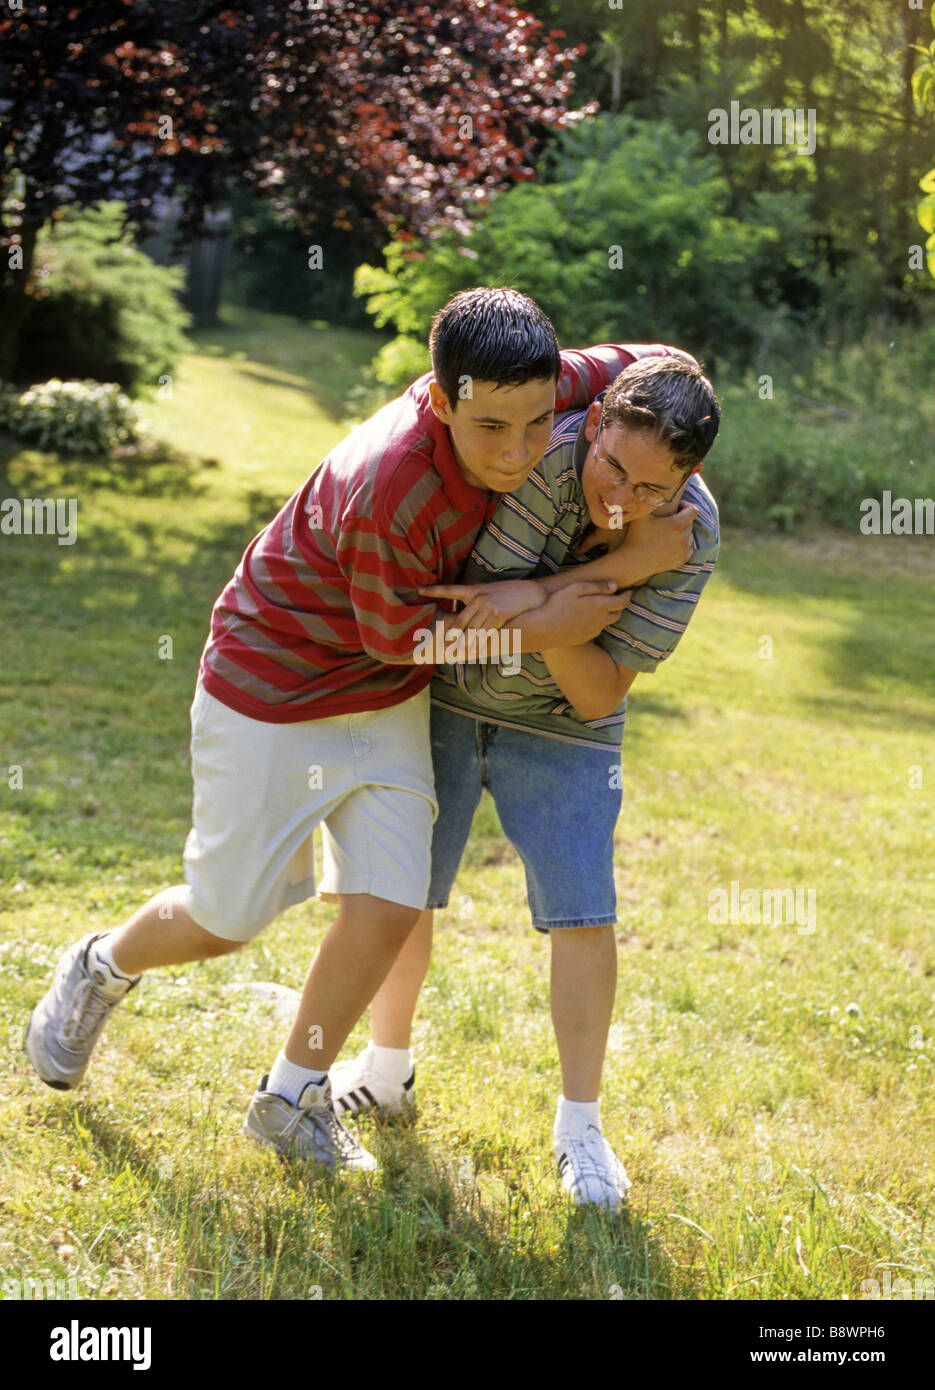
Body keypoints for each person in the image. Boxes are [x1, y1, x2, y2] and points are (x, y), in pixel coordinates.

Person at [24, 285, 684, 1174]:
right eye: (492, 429)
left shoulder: (551, 383)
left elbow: (667, 379)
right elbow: (412, 640)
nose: (522, 451)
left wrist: (641, 510)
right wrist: (560, 612)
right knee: (227, 918)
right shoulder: (390, 484)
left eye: (537, 424)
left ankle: (293, 1095)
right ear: (442, 399)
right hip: (279, 689)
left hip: (380, 698)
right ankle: (103, 963)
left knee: (389, 901)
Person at [330, 354, 720, 1208]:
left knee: (583, 911)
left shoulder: (690, 534)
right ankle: (384, 1070)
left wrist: (546, 611)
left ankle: (580, 1127)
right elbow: (471, 607)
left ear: (690, 478)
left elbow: (596, 690)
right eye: (611, 466)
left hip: (563, 724)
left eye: (655, 488)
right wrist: (609, 574)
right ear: (596, 426)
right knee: (402, 889)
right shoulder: (545, 453)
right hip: (443, 690)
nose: (623, 498)